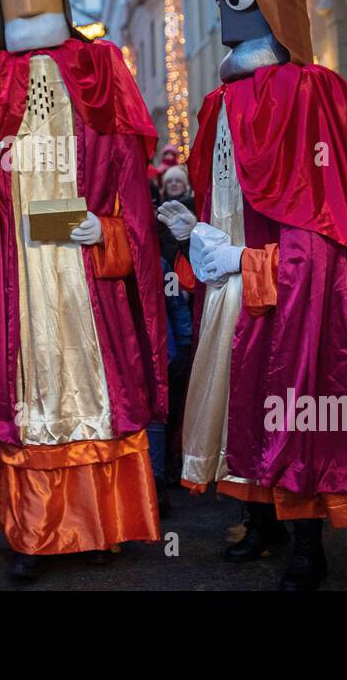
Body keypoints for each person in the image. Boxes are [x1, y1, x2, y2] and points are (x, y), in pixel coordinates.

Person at [0, 0, 168, 582]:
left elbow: (131, 177)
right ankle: (36, 535)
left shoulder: (101, 65)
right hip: (20, 278)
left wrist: (108, 231)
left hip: (84, 268)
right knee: (34, 401)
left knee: (98, 393)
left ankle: (102, 524)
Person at [175, 0, 347, 591]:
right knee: (239, 406)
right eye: (220, 7)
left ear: (274, 6)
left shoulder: (313, 92)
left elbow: (324, 219)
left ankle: (306, 544)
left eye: (235, 3)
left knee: (293, 404)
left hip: (286, 281)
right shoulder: (218, 104)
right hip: (230, 280)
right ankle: (259, 521)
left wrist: (261, 265)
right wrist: (203, 251)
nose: (224, 22)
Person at [153, 163, 196, 503]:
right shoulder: (157, 241)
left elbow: (178, 306)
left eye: (180, 181)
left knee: (168, 411)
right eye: (171, 183)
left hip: (169, 349)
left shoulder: (164, 265)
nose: (176, 186)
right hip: (159, 349)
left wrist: (184, 343)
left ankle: (166, 470)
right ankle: (157, 478)